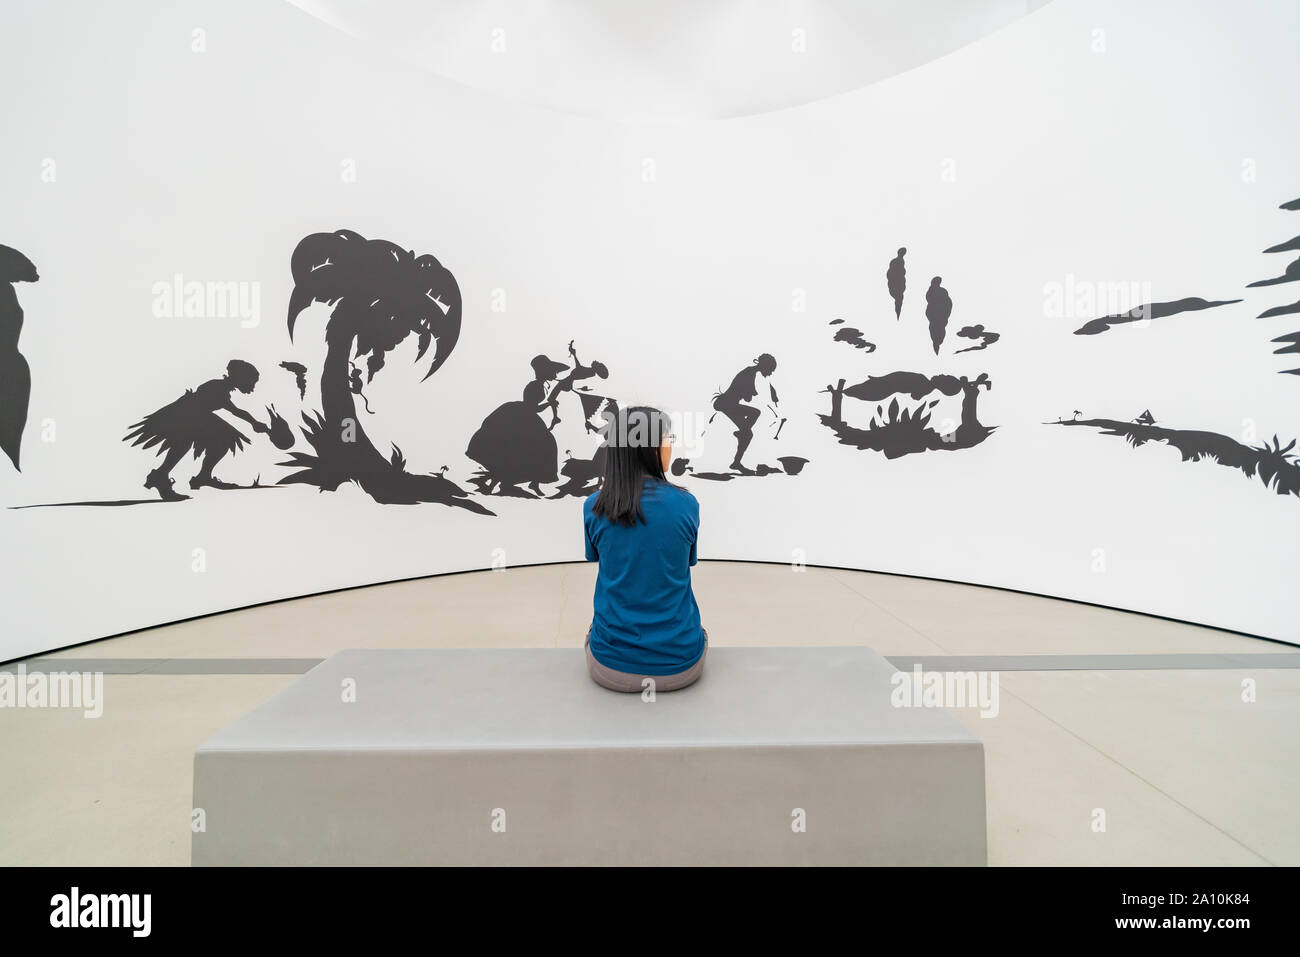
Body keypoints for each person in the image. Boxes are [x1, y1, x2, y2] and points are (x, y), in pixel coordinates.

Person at [583, 406, 706, 692]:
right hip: (682, 667)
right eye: (668, 437)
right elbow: (685, 562)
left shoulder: (594, 506)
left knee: (594, 629)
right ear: (649, 448)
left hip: (610, 668)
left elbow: (600, 558)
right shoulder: (686, 504)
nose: (671, 445)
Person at [124, 359, 269, 501]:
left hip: (197, 418)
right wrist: (253, 422)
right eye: (252, 381)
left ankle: (201, 476)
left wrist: (254, 422)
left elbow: (234, 410)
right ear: (240, 377)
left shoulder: (222, 389)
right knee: (184, 443)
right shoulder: (217, 388)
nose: (253, 386)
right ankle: (163, 476)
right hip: (187, 417)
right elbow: (234, 411)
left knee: (223, 439)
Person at [712, 353, 779, 473]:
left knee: (748, 434)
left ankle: (736, 463)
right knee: (755, 413)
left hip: (729, 404)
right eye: (770, 370)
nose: (770, 373)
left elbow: (749, 393)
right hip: (726, 403)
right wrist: (768, 393)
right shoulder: (749, 373)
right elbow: (748, 396)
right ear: (765, 366)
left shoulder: (752, 373)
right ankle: (741, 433)